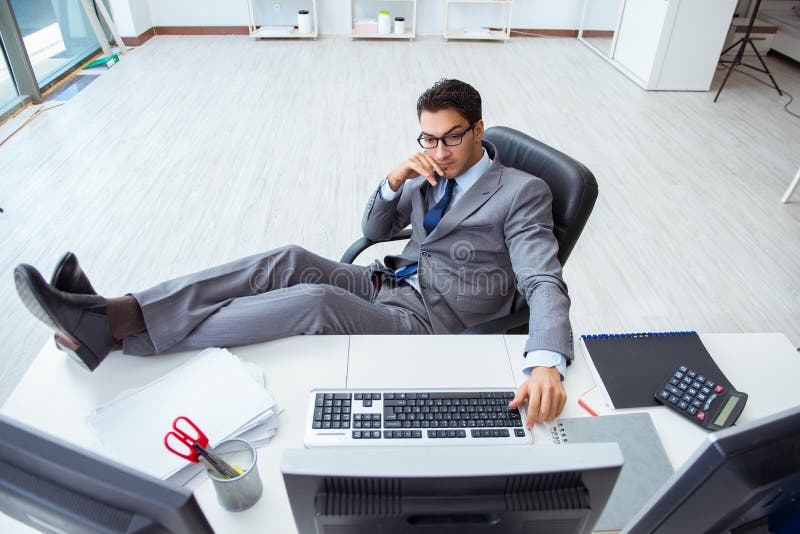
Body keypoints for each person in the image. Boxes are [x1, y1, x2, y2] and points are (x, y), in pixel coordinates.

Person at [14, 79, 572, 426]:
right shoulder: (428, 168)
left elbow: (543, 281)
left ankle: (122, 335)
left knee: (315, 300)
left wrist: (545, 359)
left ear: (478, 130)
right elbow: (374, 228)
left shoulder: (522, 193)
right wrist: (393, 177)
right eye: (428, 138)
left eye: (451, 137)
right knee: (287, 258)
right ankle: (116, 313)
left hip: (430, 318)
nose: (439, 151)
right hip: (390, 279)